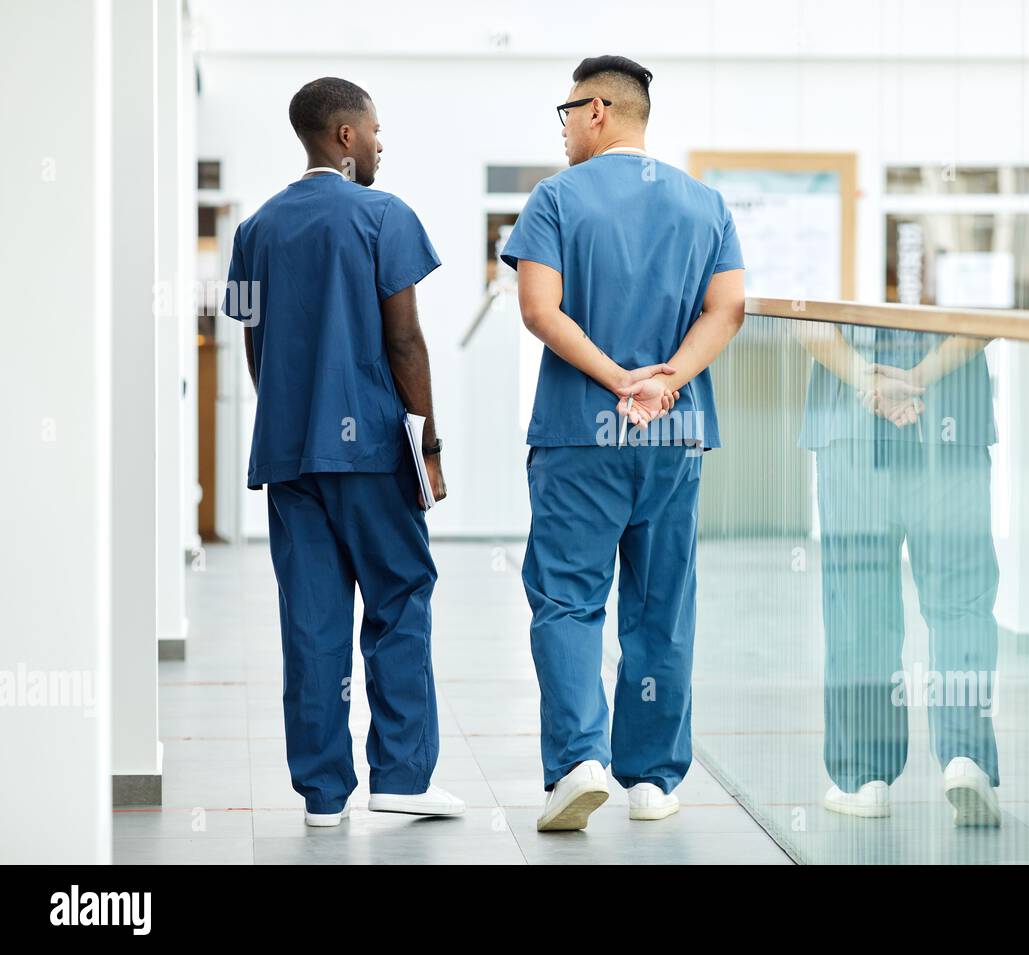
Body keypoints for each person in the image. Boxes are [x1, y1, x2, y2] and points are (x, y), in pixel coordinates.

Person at [500, 55, 746, 831]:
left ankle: (579, 760)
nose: (565, 127)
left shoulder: (557, 199)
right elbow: (729, 309)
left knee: (568, 598)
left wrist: (617, 380)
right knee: (661, 605)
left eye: (567, 111)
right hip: (672, 434)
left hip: (580, 435)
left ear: (599, 109)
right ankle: (652, 779)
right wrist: (663, 382)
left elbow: (540, 311)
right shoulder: (705, 204)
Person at [224, 76, 462, 827]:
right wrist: (427, 441)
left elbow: (254, 345)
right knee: (398, 600)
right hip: (371, 454)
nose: (383, 143)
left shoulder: (256, 229)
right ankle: (403, 777)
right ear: (346, 136)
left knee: (312, 619)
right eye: (377, 130)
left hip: (291, 456)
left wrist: (294, 419)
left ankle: (323, 795)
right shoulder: (382, 215)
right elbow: (403, 338)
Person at [799, 325, 1003, 826]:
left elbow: (806, 313)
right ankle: (966, 758)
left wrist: (866, 380)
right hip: (949, 422)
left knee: (859, 607)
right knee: (961, 601)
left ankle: (865, 778)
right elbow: (987, 312)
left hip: (850, 428)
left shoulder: (840, 243)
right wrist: (918, 377)